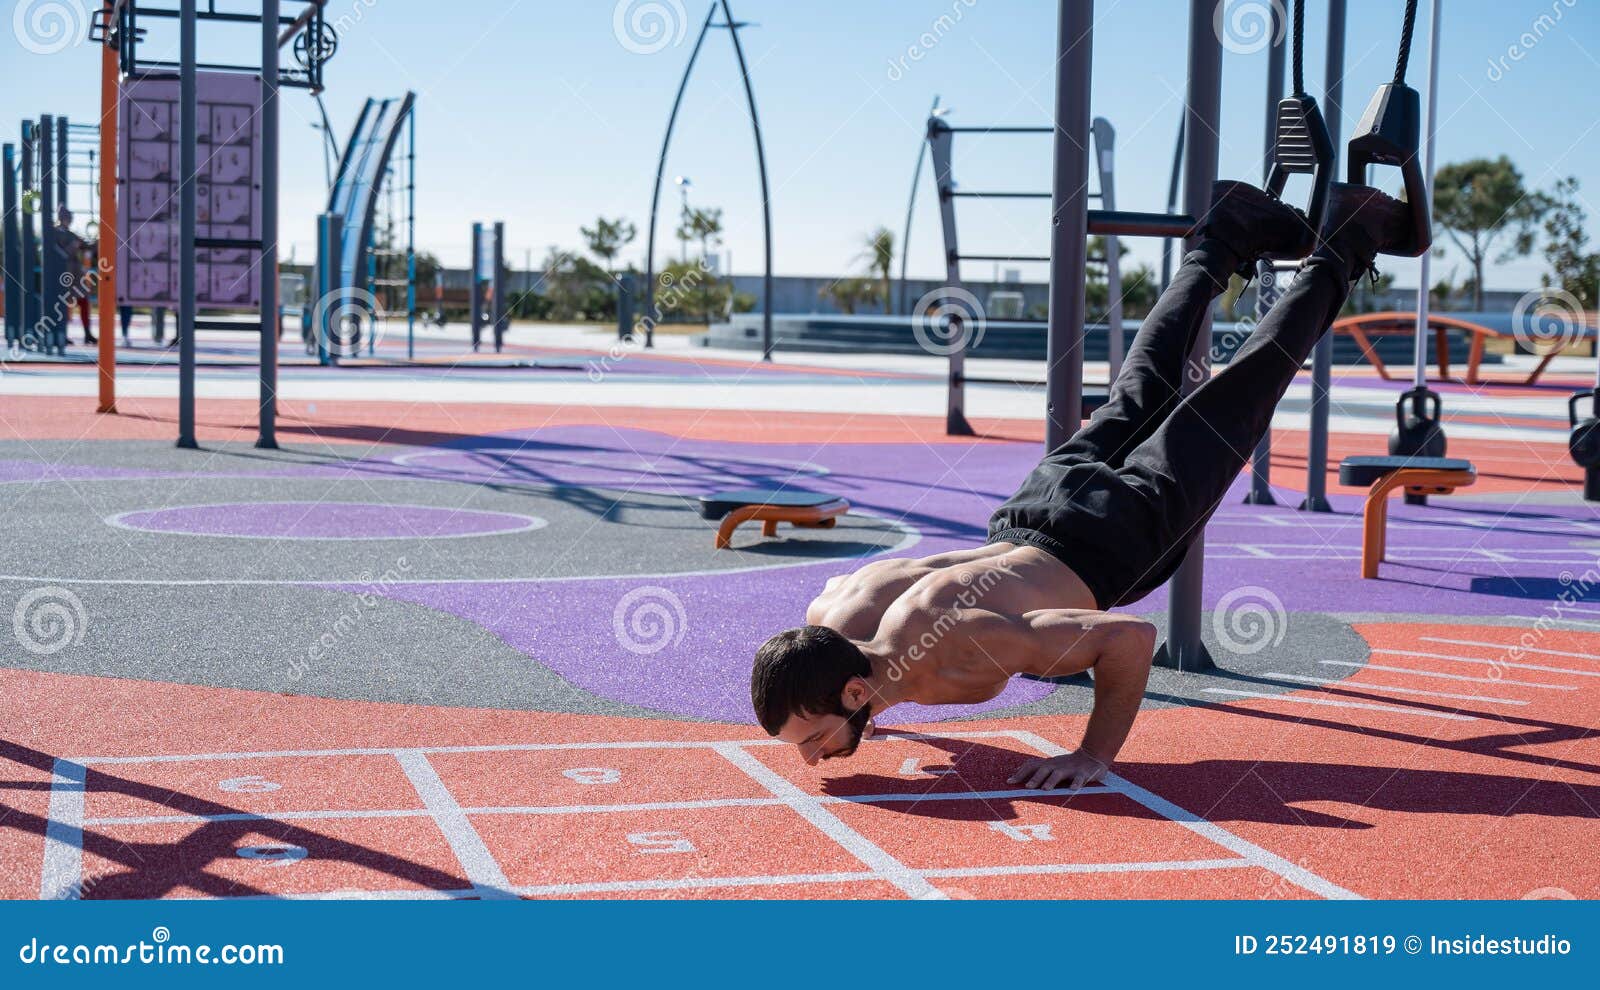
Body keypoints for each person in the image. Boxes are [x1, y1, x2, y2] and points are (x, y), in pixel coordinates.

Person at [750, 180, 1412, 790]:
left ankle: (1353, 232)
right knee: (1142, 384)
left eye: (813, 738)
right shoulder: (833, 619)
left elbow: (1126, 642)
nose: (809, 757)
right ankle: (1225, 233)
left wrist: (1093, 754)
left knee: (1246, 387)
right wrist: (865, 708)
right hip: (1036, 509)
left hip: (1116, 538)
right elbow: (856, 648)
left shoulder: (958, 648)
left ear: (856, 693)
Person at [51, 209, 95, 345]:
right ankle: (61, 334)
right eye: (67, 218)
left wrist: (95, 241)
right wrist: (73, 246)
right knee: (62, 305)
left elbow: (86, 247)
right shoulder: (54, 233)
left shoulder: (71, 234)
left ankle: (87, 333)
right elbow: (57, 253)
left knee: (83, 301)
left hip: (75, 274)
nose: (69, 220)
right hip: (62, 275)